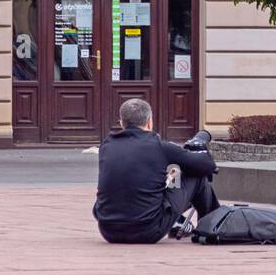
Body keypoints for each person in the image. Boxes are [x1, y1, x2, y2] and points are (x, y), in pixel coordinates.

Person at [93, 98, 219, 243]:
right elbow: (207, 166)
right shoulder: (159, 147)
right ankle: (210, 227)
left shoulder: (107, 146)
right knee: (196, 176)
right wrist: (198, 147)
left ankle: (179, 221)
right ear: (149, 122)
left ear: (121, 123)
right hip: (148, 230)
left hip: (109, 231)